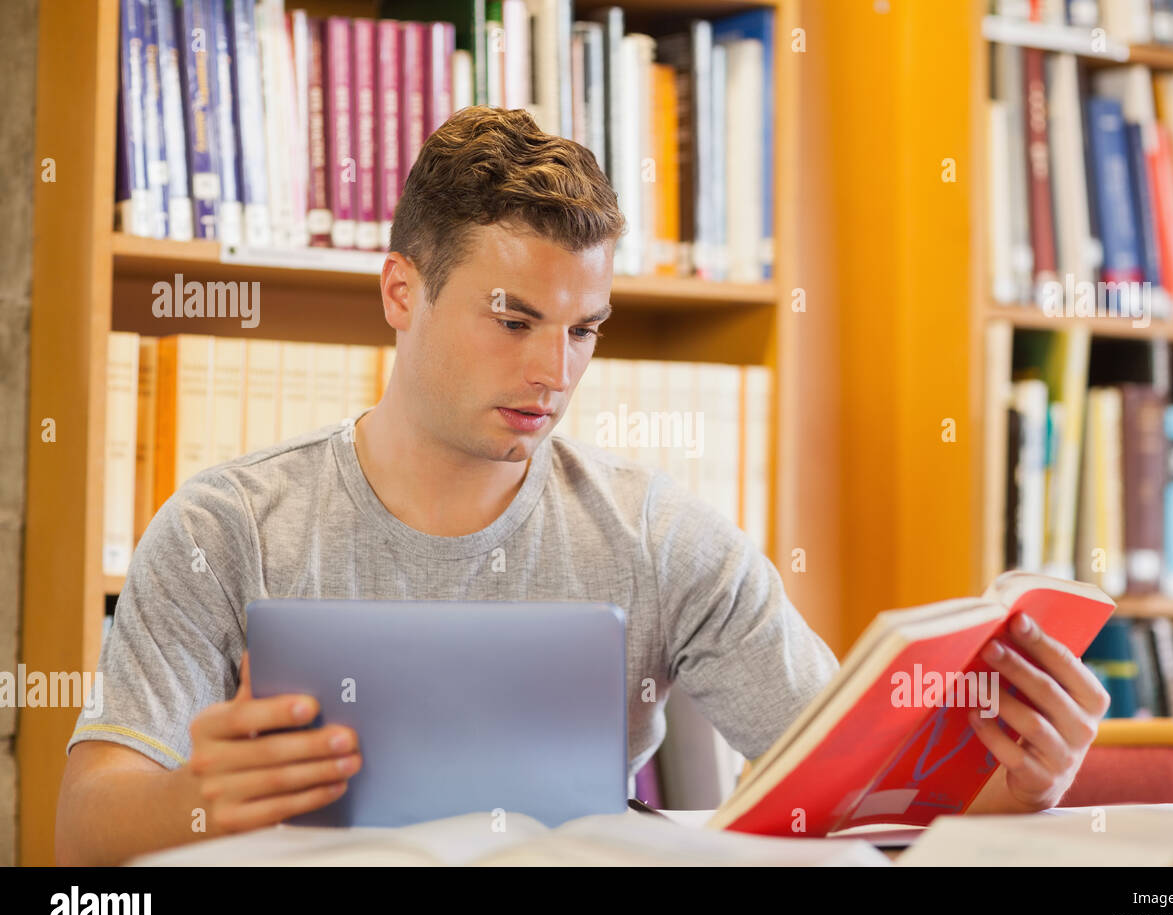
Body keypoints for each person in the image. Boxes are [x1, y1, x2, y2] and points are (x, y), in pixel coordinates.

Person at [55, 106, 1107, 866]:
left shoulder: (660, 535)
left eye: (583, 330)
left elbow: (846, 802)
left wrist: (1015, 789)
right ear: (400, 292)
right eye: (513, 320)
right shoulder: (226, 525)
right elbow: (77, 832)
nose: (555, 371)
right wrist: (195, 803)